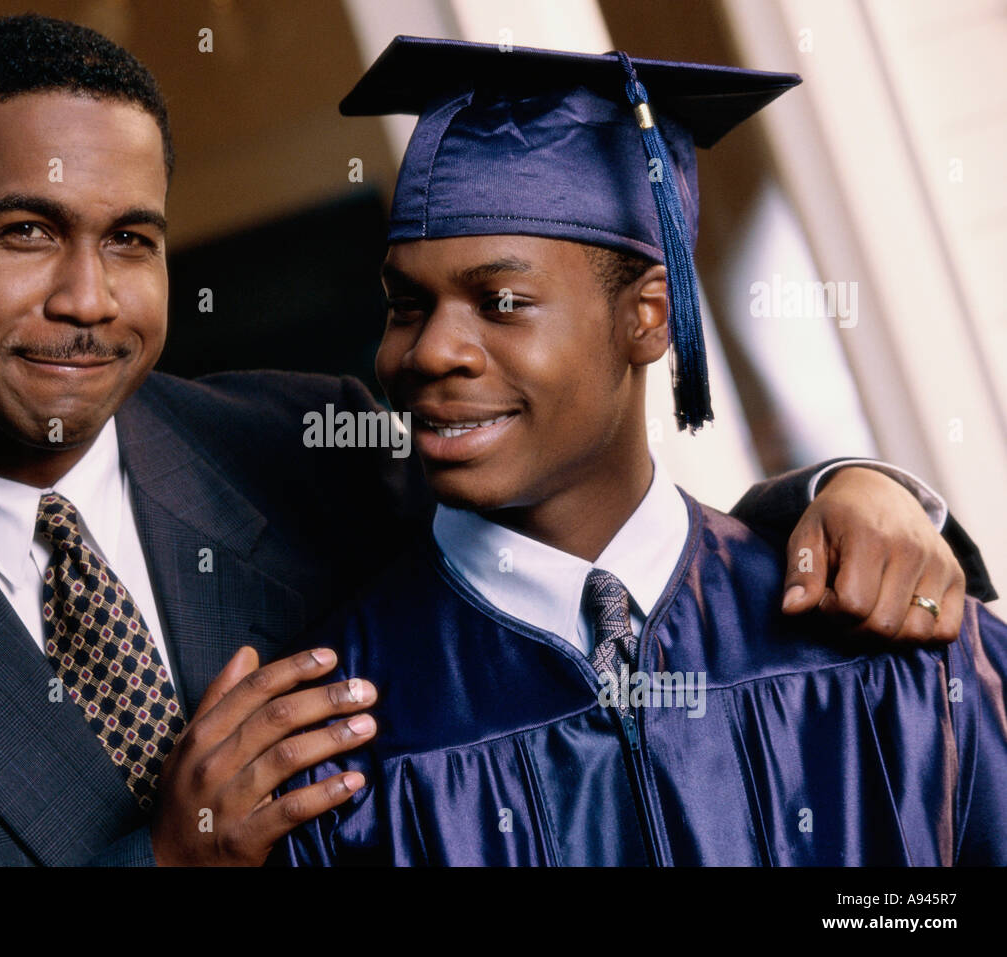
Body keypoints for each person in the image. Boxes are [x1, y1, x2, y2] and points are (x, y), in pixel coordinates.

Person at [0, 17, 989, 867]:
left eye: (134, 240)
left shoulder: (305, 447)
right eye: (26, 233)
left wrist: (856, 492)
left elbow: (583, 504)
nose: (89, 299)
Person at [280, 37, 1007, 865]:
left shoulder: (882, 636)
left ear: (650, 317)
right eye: (407, 305)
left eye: (501, 300)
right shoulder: (339, 738)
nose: (429, 351)